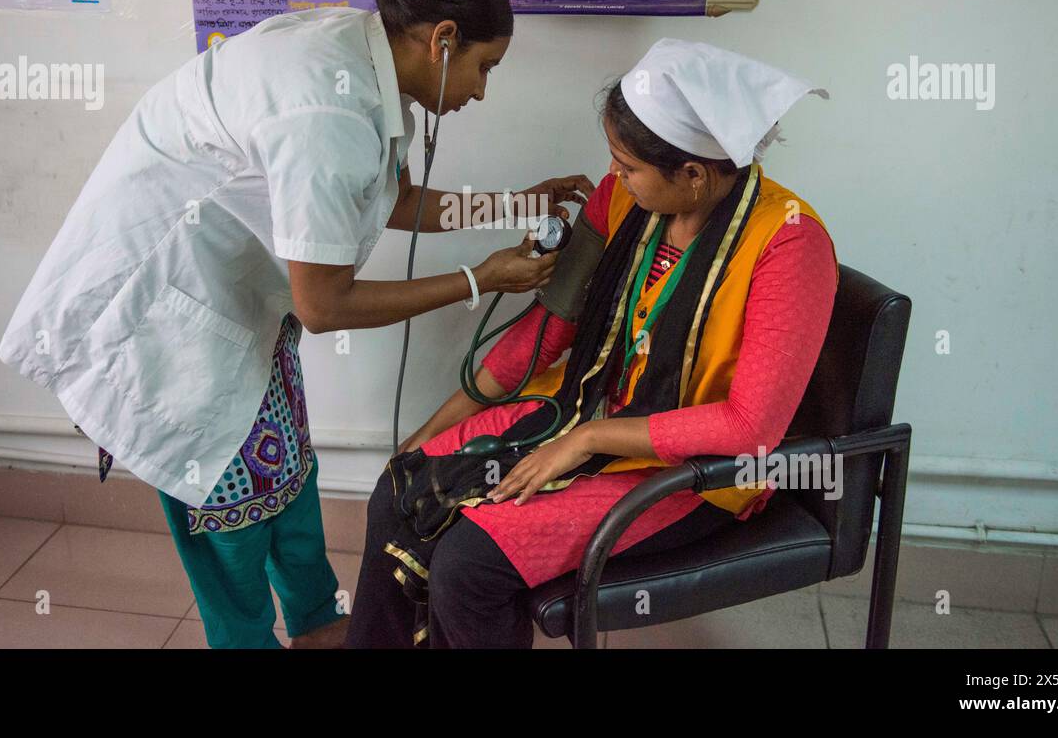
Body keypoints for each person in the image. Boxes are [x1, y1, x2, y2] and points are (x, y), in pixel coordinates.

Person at [0, 0, 592, 649]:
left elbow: (391, 200)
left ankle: (317, 626)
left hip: (237, 308)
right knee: (232, 529)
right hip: (164, 316)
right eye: (484, 66)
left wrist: (517, 203)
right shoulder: (327, 106)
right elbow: (325, 304)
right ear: (441, 39)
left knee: (286, 489)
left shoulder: (360, 60)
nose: (481, 91)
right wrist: (479, 276)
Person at [347, 38, 839, 648]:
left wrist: (586, 441)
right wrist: (437, 425)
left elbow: (750, 429)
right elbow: (549, 329)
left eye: (628, 166)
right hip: (586, 409)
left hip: (695, 468)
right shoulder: (622, 202)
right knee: (400, 490)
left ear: (692, 174)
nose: (613, 177)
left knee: (468, 565)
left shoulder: (790, 244)